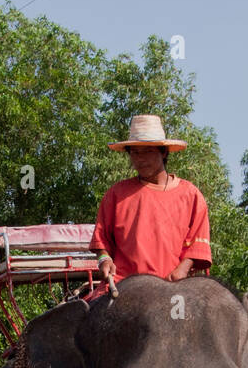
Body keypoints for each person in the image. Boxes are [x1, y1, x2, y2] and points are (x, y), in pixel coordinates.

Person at [90, 114, 212, 289]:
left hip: (173, 286)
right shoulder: (116, 194)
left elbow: (197, 245)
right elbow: (102, 240)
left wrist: (182, 271)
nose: (140, 159)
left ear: (163, 152)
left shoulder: (190, 195)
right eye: (135, 153)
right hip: (123, 286)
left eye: (148, 151)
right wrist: (104, 259)